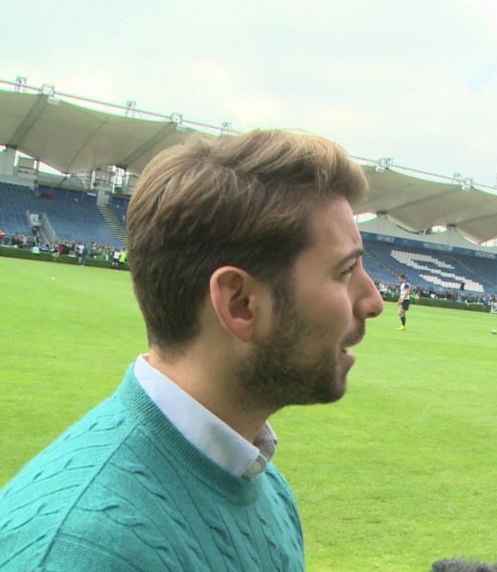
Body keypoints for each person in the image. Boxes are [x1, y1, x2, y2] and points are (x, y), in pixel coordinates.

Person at [0, 130, 384, 570]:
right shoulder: (80, 551)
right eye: (346, 270)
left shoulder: (264, 485)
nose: (373, 301)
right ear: (240, 303)